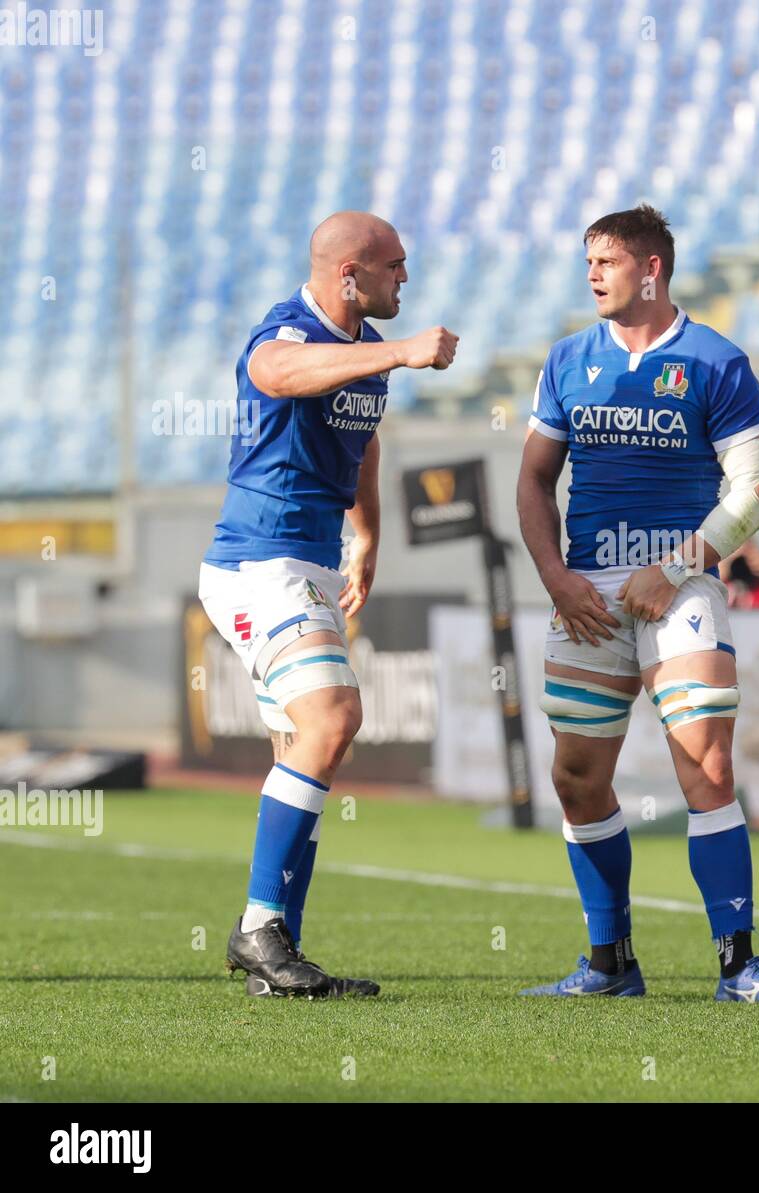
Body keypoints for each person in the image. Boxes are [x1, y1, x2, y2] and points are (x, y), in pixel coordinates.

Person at [515, 203, 759, 1001]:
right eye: (588, 261)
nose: (591, 273)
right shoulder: (567, 359)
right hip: (585, 591)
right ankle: (610, 963)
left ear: (652, 269)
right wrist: (555, 577)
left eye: (606, 260)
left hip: (681, 584)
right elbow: (535, 480)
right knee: (578, 779)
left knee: (705, 763)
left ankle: (738, 965)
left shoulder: (716, 360)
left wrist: (677, 564)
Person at [199, 211, 458, 997]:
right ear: (350, 275)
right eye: (395, 266)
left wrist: (367, 535)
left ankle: (278, 954)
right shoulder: (287, 328)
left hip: (307, 561)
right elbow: (276, 372)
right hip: (258, 562)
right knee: (334, 717)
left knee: (301, 750)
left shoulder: (355, 357)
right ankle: (259, 929)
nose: (405, 278)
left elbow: (364, 436)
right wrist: (404, 352)